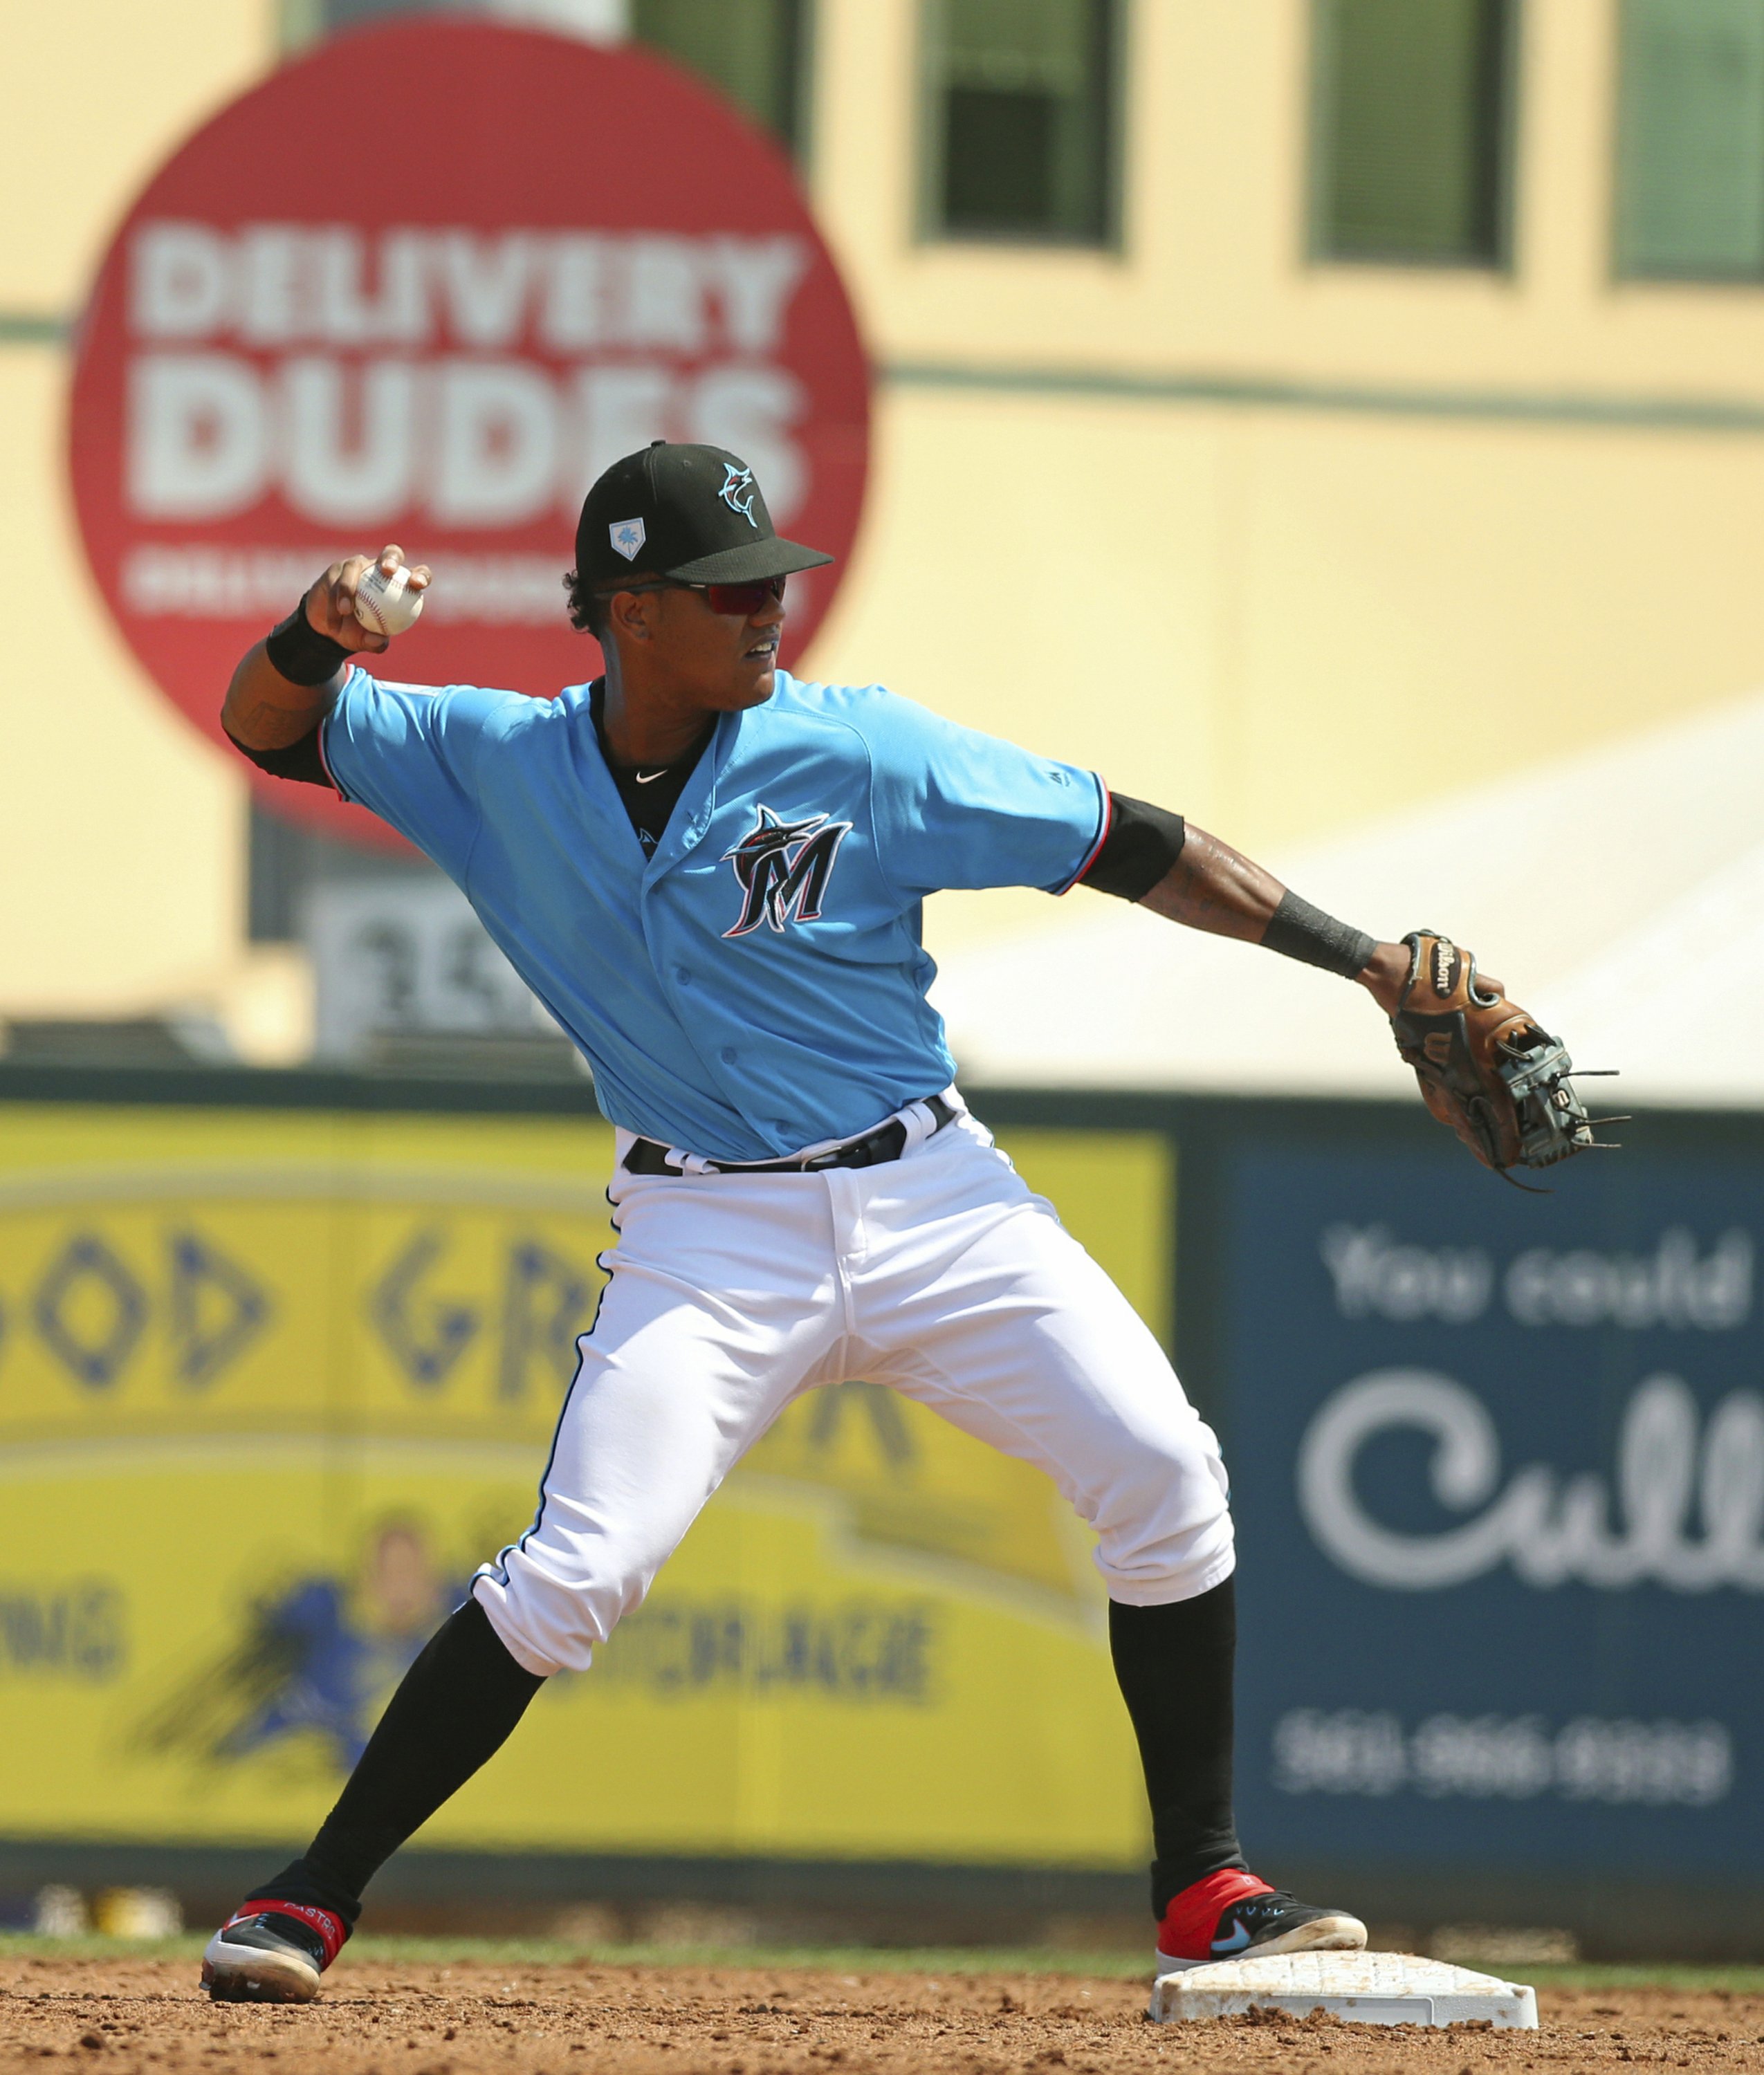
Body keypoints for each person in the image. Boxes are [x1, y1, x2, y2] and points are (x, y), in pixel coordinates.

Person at [203, 441, 1411, 2004]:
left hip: (933, 1200)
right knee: (575, 1573)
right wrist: (319, 627)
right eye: (728, 590)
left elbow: (1128, 838)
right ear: (631, 611)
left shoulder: (867, 751)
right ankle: (308, 1898)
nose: (772, 607)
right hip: (706, 1238)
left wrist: (1369, 962)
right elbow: (269, 727)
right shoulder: (497, 761)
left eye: (774, 579)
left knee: (1168, 1472)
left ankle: (1208, 1889)